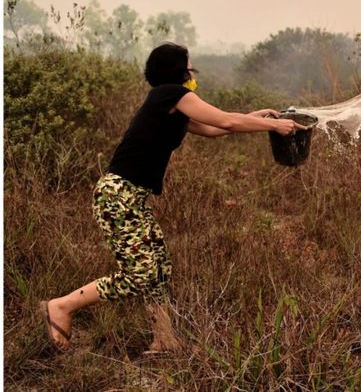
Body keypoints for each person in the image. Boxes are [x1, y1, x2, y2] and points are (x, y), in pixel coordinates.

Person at [39, 42, 305, 352]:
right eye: (189, 65)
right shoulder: (171, 94)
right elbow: (225, 120)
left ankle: (164, 340)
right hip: (118, 196)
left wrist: (256, 117)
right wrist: (273, 124)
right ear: (179, 70)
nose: (192, 71)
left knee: (159, 269)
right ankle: (62, 306)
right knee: (140, 274)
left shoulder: (172, 104)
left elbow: (216, 128)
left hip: (130, 197)